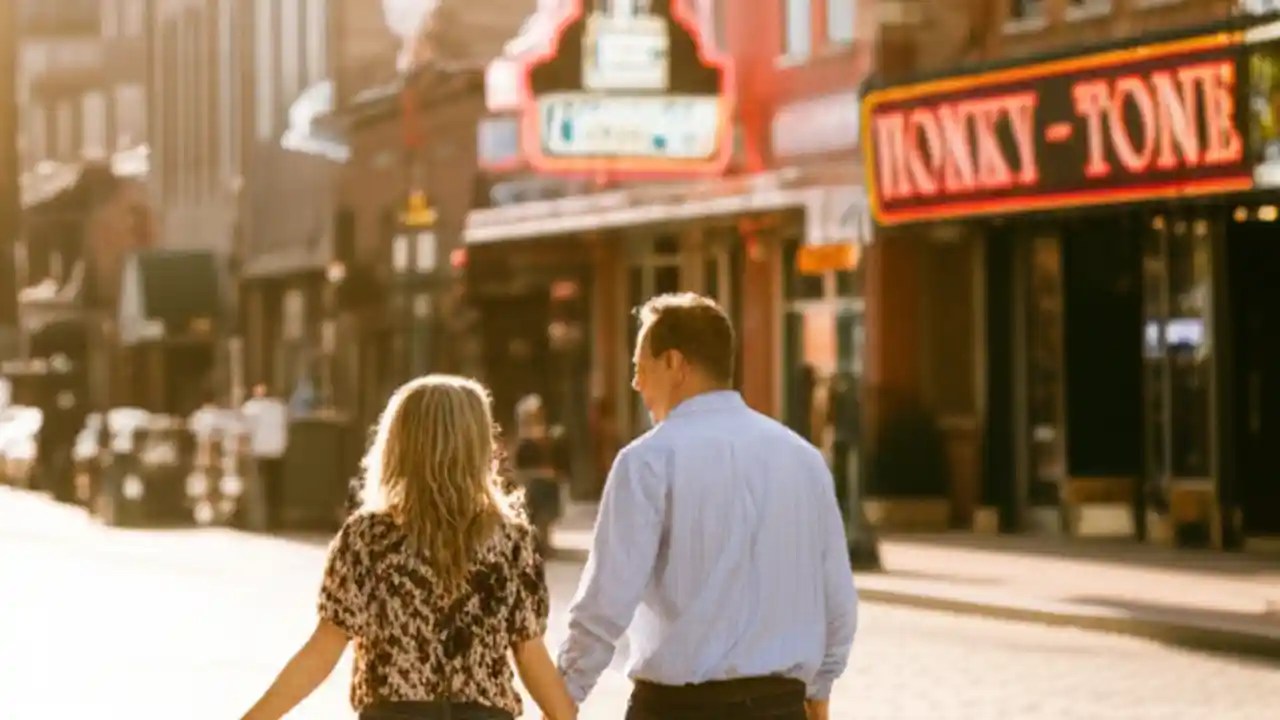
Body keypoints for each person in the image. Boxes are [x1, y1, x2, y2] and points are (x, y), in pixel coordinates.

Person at [556, 293, 858, 720]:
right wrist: (820, 689)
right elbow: (838, 599)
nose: (636, 384)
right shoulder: (804, 459)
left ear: (676, 364)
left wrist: (564, 694)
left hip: (679, 709)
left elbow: (607, 600)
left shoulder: (648, 461)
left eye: (641, 368)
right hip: (780, 707)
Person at [240, 375, 577, 720]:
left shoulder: (367, 538)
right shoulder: (510, 540)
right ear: (479, 446)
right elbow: (529, 652)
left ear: (397, 444)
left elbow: (324, 647)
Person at [512, 394, 566, 556]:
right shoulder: (524, 443)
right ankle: (535, 541)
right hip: (533, 484)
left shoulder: (551, 437)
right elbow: (520, 468)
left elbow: (559, 464)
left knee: (547, 510)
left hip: (549, 483)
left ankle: (544, 539)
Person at [240, 383, 289, 529]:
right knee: (276, 486)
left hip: (260, 451)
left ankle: (261, 520)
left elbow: (244, 429)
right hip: (277, 450)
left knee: (261, 487)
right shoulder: (280, 407)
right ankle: (276, 518)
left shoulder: (251, 407)